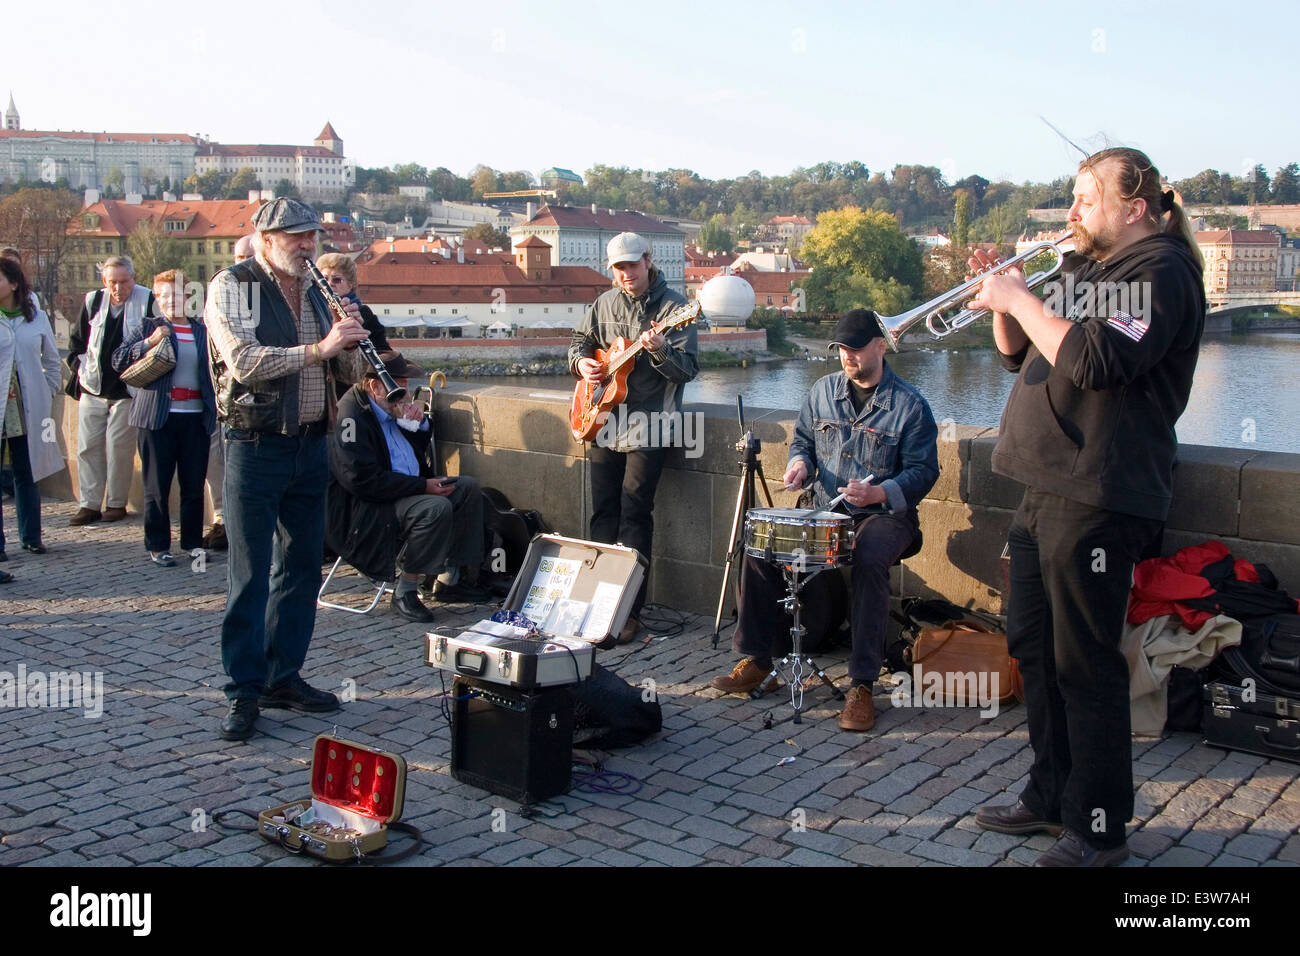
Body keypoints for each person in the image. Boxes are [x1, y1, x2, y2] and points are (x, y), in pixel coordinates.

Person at [966, 147, 1205, 867]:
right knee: (1034, 650)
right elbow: (1026, 356)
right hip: (1046, 487)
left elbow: (1099, 362)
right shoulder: (1091, 269)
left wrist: (1023, 300)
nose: (1070, 215)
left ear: (1134, 209)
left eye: (1084, 200)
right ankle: (1051, 795)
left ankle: (1099, 828)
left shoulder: (1159, 272)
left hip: (1099, 494)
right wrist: (1001, 301)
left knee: (1085, 664)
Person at [710, 309, 939, 731]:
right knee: (763, 541)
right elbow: (803, 441)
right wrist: (799, 464)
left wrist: (879, 492)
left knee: (870, 558)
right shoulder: (821, 391)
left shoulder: (910, 405)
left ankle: (862, 684)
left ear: (880, 345)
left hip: (886, 516)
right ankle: (759, 658)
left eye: (855, 348)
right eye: (841, 350)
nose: (847, 358)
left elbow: (925, 471)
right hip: (825, 510)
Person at [205, 197, 369, 742]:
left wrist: (353, 342)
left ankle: (283, 675)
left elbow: (341, 369)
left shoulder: (321, 291)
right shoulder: (234, 285)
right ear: (266, 238)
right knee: (250, 572)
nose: (307, 245)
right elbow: (244, 362)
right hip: (255, 443)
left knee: (300, 567)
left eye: (312, 236)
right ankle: (242, 690)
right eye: (296, 236)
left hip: (310, 443)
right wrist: (320, 348)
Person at [568, 231, 698, 643]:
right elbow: (578, 343)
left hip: (651, 422)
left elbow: (688, 370)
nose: (626, 273)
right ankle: (595, 605)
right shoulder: (602, 304)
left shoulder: (675, 308)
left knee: (634, 513)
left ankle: (629, 612)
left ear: (648, 259)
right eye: (619, 267)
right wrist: (583, 364)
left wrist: (658, 349)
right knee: (602, 513)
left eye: (632, 265)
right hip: (604, 418)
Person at [326, 354, 486, 623]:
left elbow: (408, 450)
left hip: (406, 489)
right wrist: (422, 486)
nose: (405, 394)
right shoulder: (351, 416)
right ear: (375, 386)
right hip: (368, 508)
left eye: (406, 386)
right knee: (434, 508)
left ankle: (449, 579)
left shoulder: (386, 406)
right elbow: (360, 479)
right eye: (398, 386)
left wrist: (417, 422)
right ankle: (405, 591)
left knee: (467, 488)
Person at [112, 270, 216, 567]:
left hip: (195, 416)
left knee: (193, 485)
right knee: (157, 485)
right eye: (163, 296)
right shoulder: (148, 327)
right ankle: (158, 545)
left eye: (177, 295)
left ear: (188, 297)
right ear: (157, 300)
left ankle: (193, 543)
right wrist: (148, 343)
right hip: (157, 417)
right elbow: (118, 359)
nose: (171, 301)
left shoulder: (202, 332)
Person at [66, 255, 154, 525]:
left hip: (128, 390)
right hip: (93, 386)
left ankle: (116, 503)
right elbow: (78, 342)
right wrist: (79, 368)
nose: (118, 288)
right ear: (104, 281)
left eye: (123, 282)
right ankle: (89, 504)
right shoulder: (93, 301)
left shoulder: (148, 300)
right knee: (87, 447)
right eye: (112, 282)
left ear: (134, 279)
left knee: (119, 449)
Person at [0, 256, 62, 581]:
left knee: (28, 471)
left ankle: (31, 536)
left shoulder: (34, 316)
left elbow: (52, 359)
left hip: (27, 405)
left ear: (12, 284)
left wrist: (48, 391)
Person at [315, 252, 392, 397]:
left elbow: (384, 352)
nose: (329, 284)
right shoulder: (314, 312)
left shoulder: (363, 313)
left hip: (353, 391)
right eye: (324, 279)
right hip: (321, 392)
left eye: (337, 280)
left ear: (351, 284)